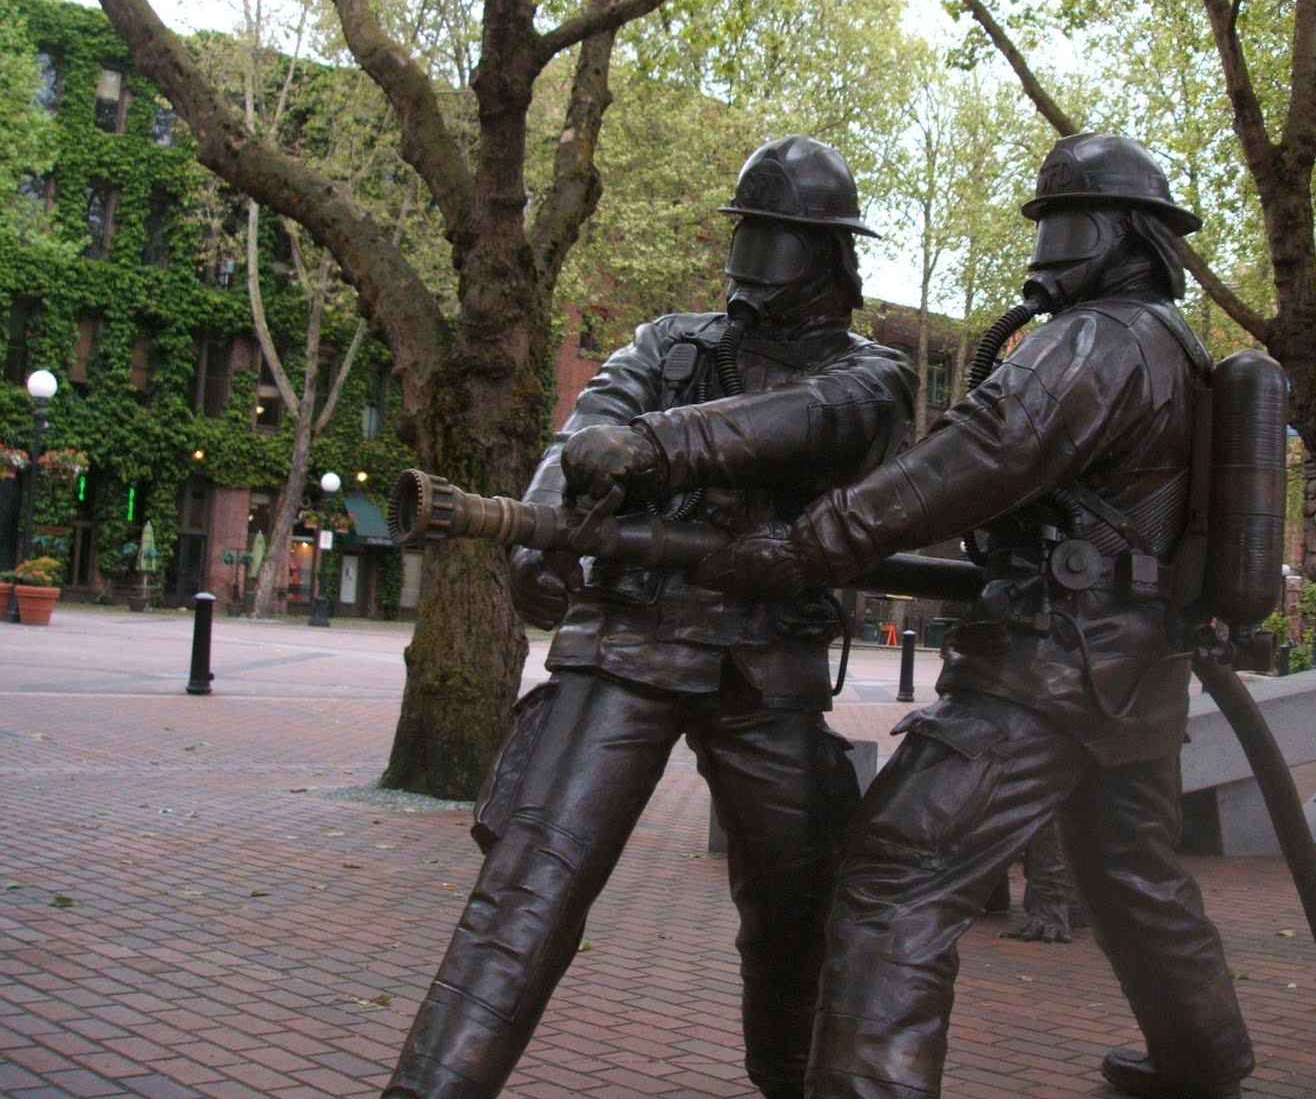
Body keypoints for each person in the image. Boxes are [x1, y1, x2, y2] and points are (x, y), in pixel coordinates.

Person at [699, 133, 1256, 1099]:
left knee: (894, 870)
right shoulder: (1175, 346)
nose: (1052, 250)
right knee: (1132, 873)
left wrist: (810, 546)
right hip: (1134, 669)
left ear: (1129, 238)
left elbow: (976, 459)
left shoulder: (1099, 341)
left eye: (1072, 225)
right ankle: (1206, 1062)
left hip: (1050, 666)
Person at [383, 135, 917, 1099]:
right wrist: (544, 536)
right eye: (751, 236)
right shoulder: (674, 342)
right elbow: (587, 425)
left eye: (780, 241)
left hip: (769, 667)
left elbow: (810, 422)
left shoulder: (874, 374)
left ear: (831, 256)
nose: (758, 262)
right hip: (632, 636)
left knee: (801, 913)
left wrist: (657, 446)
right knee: (530, 887)